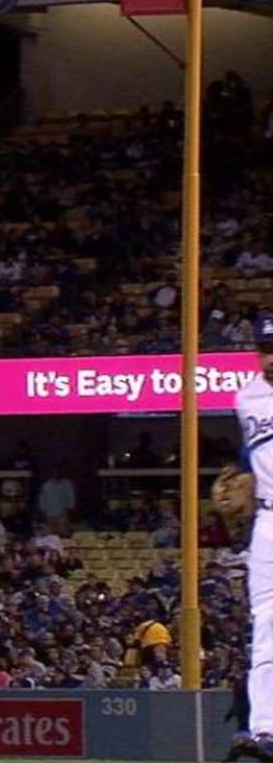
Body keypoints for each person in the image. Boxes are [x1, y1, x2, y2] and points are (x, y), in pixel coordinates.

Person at [233, 312, 273, 761]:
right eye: (265, 348)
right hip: (268, 524)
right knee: (265, 625)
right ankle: (266, 730)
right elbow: (254, 455)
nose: (271, 357)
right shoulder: (246, 397)